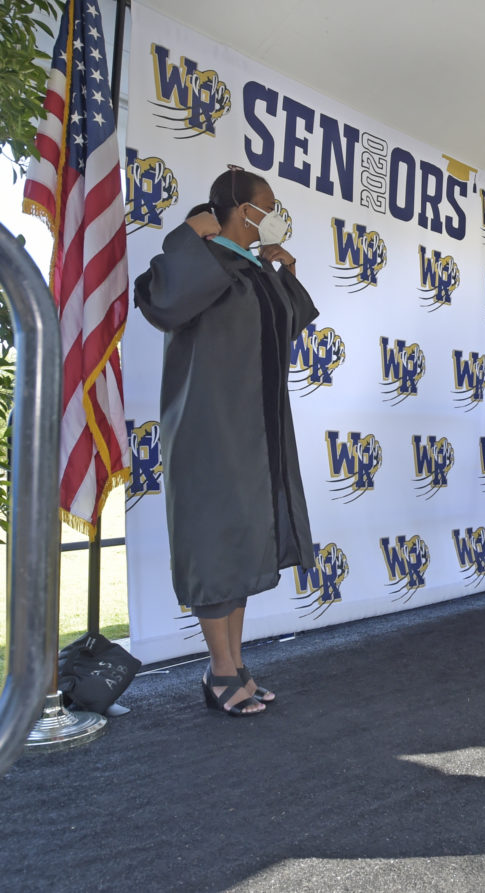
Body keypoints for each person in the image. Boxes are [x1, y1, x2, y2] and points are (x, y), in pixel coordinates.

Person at [134, 166, 318, 717]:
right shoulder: (203, 260)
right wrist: (190, 235)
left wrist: (286, 273)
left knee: (238, 545)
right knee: (215, 545)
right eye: (268, 204)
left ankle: (236, 665)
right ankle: (219, 674)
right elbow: (160, 299)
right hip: (210, 428)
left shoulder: (253, 269)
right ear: (240, 210)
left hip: (254, 429)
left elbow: (284, 326)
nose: (276, 213)